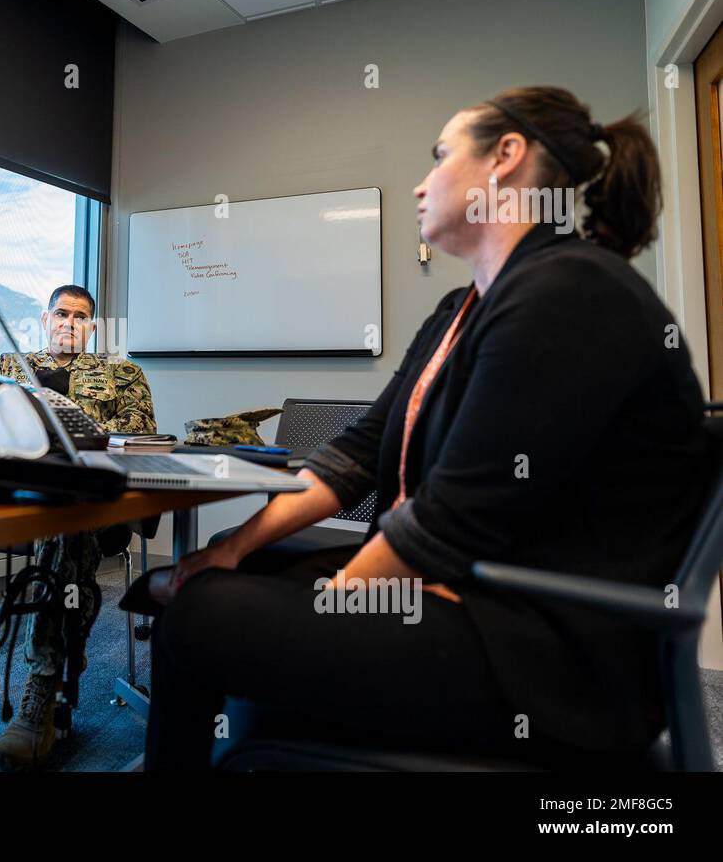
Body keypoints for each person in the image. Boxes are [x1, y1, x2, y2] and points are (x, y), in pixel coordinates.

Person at [139, 86, 710, 769]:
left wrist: (332, 607)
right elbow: (358, 450)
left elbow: (448, 521)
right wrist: (232, 549)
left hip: (548, 649)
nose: (420, 183)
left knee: (199, 617)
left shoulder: (574, 291)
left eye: (439, 156)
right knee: (225, 569)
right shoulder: (461, 306)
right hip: (475, 588)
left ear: (506, 156)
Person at [0, 284, 156, 770]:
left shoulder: (122, 374)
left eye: (81, 317)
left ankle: (44, 681)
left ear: (93, 327)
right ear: (45, 318)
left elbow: (138, 440)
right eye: (62, 313)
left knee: (70, 522)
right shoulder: (8, 367)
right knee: (61, 520)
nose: (70, 323)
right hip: (22, 500)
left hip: (92, 504)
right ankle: (60, 666)